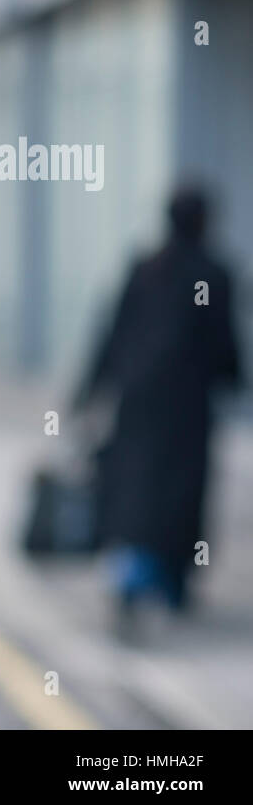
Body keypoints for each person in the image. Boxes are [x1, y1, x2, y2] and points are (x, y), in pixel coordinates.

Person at [72, 182, 244, 639]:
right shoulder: (213, 273)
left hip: (138, 405)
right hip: (188, 412)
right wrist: (234, 380)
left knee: (136, 495)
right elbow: (225, 346)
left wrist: (85, 394)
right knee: (181, 500)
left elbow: (111, 333)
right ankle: (173, 586)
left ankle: (130, 583)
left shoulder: (145, 268)